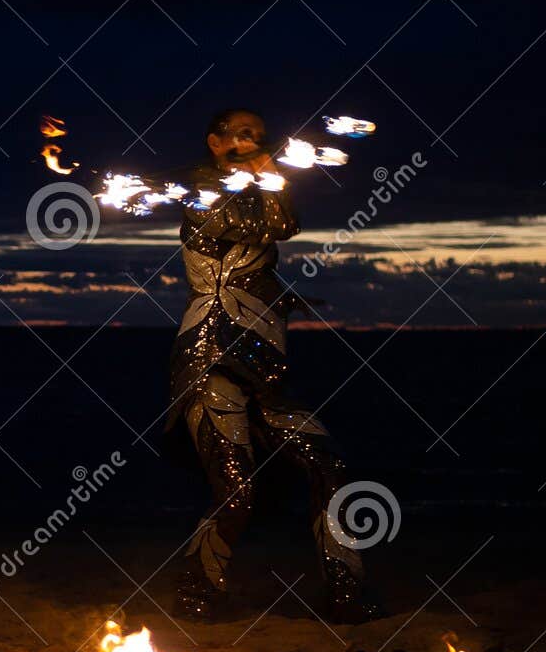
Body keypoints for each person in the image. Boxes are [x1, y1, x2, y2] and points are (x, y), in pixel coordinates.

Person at [111, 108, 380, 624]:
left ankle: (346, 592)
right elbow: (280, 225)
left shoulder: (255, 187)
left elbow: (268, 243)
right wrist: (271, 176)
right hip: (211, 357)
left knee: (329, 466)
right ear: (216, 143)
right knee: (237, 490)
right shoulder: (199, 196)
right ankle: (197, 591)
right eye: (242, 134)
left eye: (259, 134)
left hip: (264, 369)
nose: (255, 142)